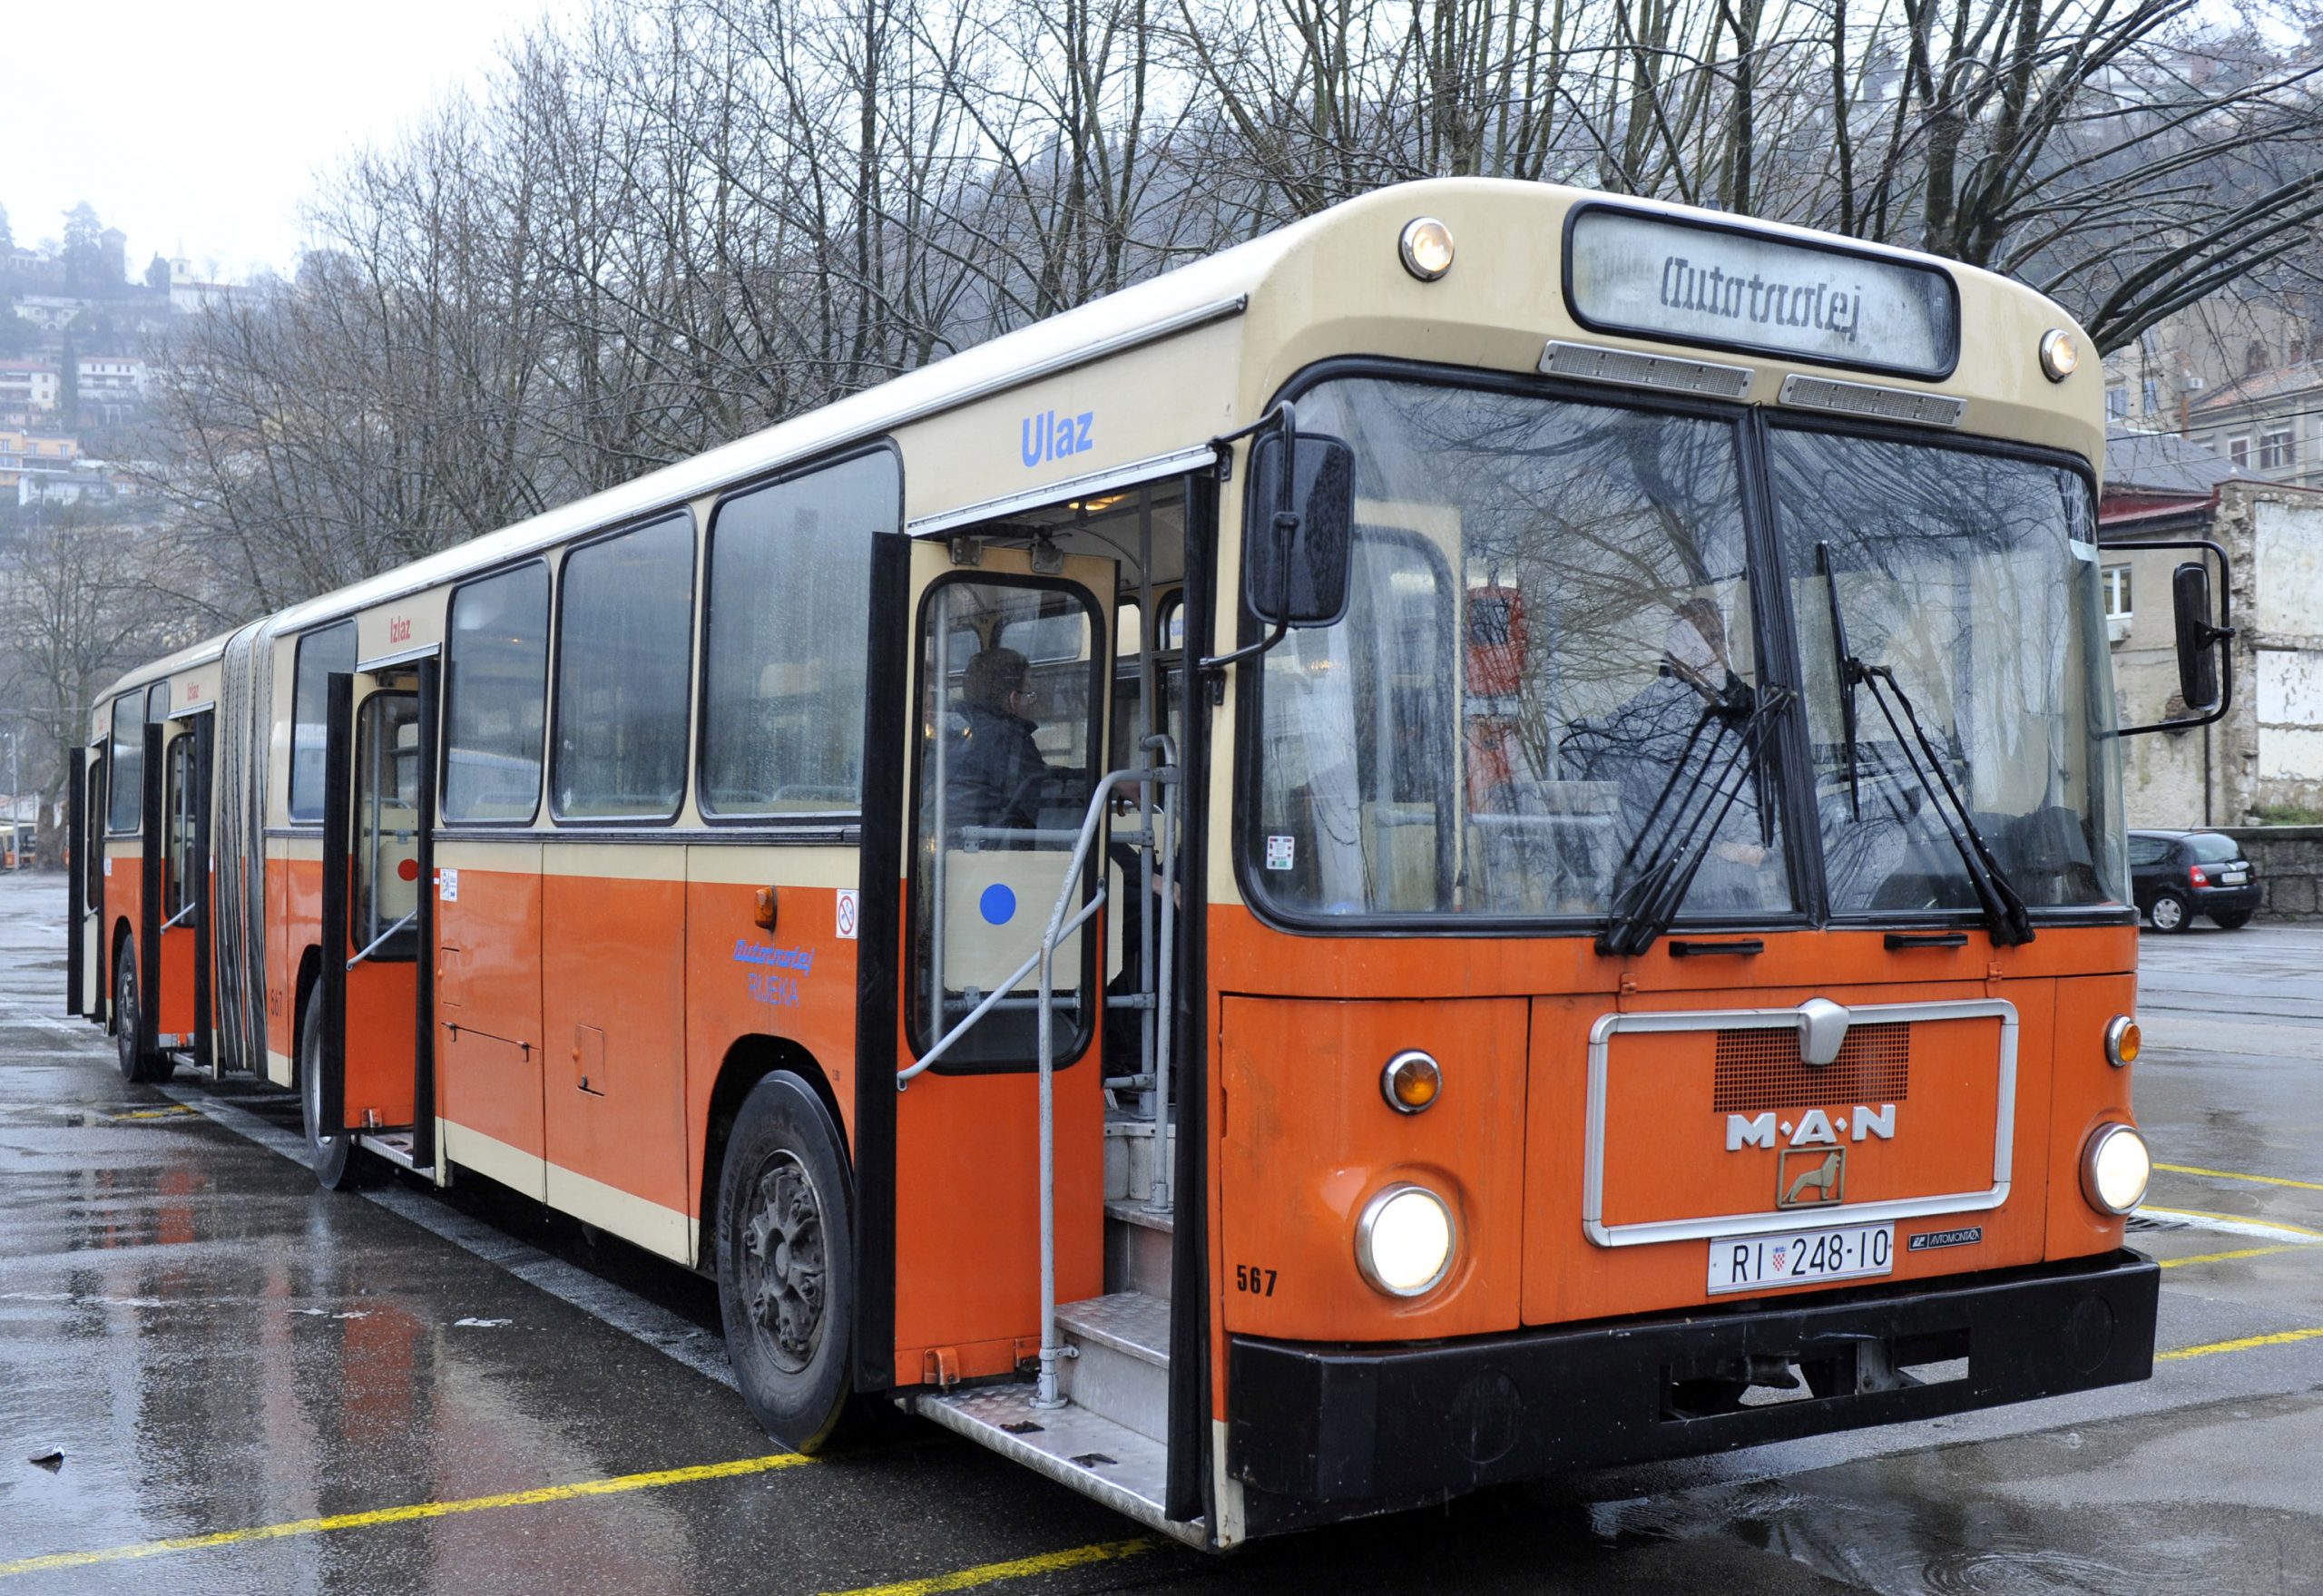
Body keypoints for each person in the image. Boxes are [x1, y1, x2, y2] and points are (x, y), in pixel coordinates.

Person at [1562, 596, 1782, 912]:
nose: (1704, 651)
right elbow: (1587, 758)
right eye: (1688, 641)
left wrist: (1769, 852)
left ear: (1730, 644)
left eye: (1714, 639)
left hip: (1759, 897)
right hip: (1670, 899)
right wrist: (1719, 846)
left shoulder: (1762, 714)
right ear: (1671, 655)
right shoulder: (1642, 724)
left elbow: (1783, 797)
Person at [946, 647, 1058, 835]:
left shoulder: (959, 732)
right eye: (1029, 694)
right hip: (996, 845)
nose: (1032, 703)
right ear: (1014, 699)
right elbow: (1041, 791)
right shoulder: (1007, 737)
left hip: (960, 839)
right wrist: (1100, 786)